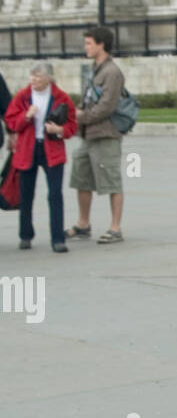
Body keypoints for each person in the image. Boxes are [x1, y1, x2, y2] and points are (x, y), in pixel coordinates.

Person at [4, 62, 78, 252]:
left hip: (51, 150)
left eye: (38, 76)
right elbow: (11, 122)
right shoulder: (23, 96)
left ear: (49, 79)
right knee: (26, 194)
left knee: (55, 195)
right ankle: (25, 235)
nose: (34, 80)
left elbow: (72, 125)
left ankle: (58, 239)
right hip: (27, 149)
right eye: (32, 76)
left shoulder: (61, 98)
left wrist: (60, 130)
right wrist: (26, 116)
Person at [66, 26, 126, 243]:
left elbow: (107, 106)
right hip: (88, 134)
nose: (86, 47)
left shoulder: (112, 72)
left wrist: (79, 116)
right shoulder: (94, 68)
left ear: (102, 44)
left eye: (89, 43)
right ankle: (83, 224)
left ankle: (115, 227)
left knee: (111, 181)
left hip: (106, 134)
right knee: (81, 178)